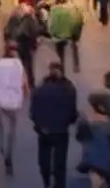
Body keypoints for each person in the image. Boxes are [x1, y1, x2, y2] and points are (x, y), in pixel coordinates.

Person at [30, 60, 77, 188]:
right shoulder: (69, 89)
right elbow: (72, 112)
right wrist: (68, 121)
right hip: (61, 130)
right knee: (60, 161)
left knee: (44, 159)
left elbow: (33, 111)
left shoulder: (40, 89)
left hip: (44, 130)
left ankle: (46, 180)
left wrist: (38, 124)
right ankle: (59, 184)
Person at [0, 42, 29, 175]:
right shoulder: (18, 65)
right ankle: (9, 153)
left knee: (2, 125)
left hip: (1, 101)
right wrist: (24, 96)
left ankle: (2, 146)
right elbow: (25, 83)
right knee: (11, 131)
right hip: (14, 102)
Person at [48, 0, 84, 73]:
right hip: (70, 33)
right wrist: (76, 35)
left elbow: (50, 24)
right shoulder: (72, 10)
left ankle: (61, 68)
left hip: (58, 35)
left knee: (60, 52)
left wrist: (52, 34)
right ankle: (76, 64)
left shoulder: (53, 11)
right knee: (74, 46)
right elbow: (77, 21)